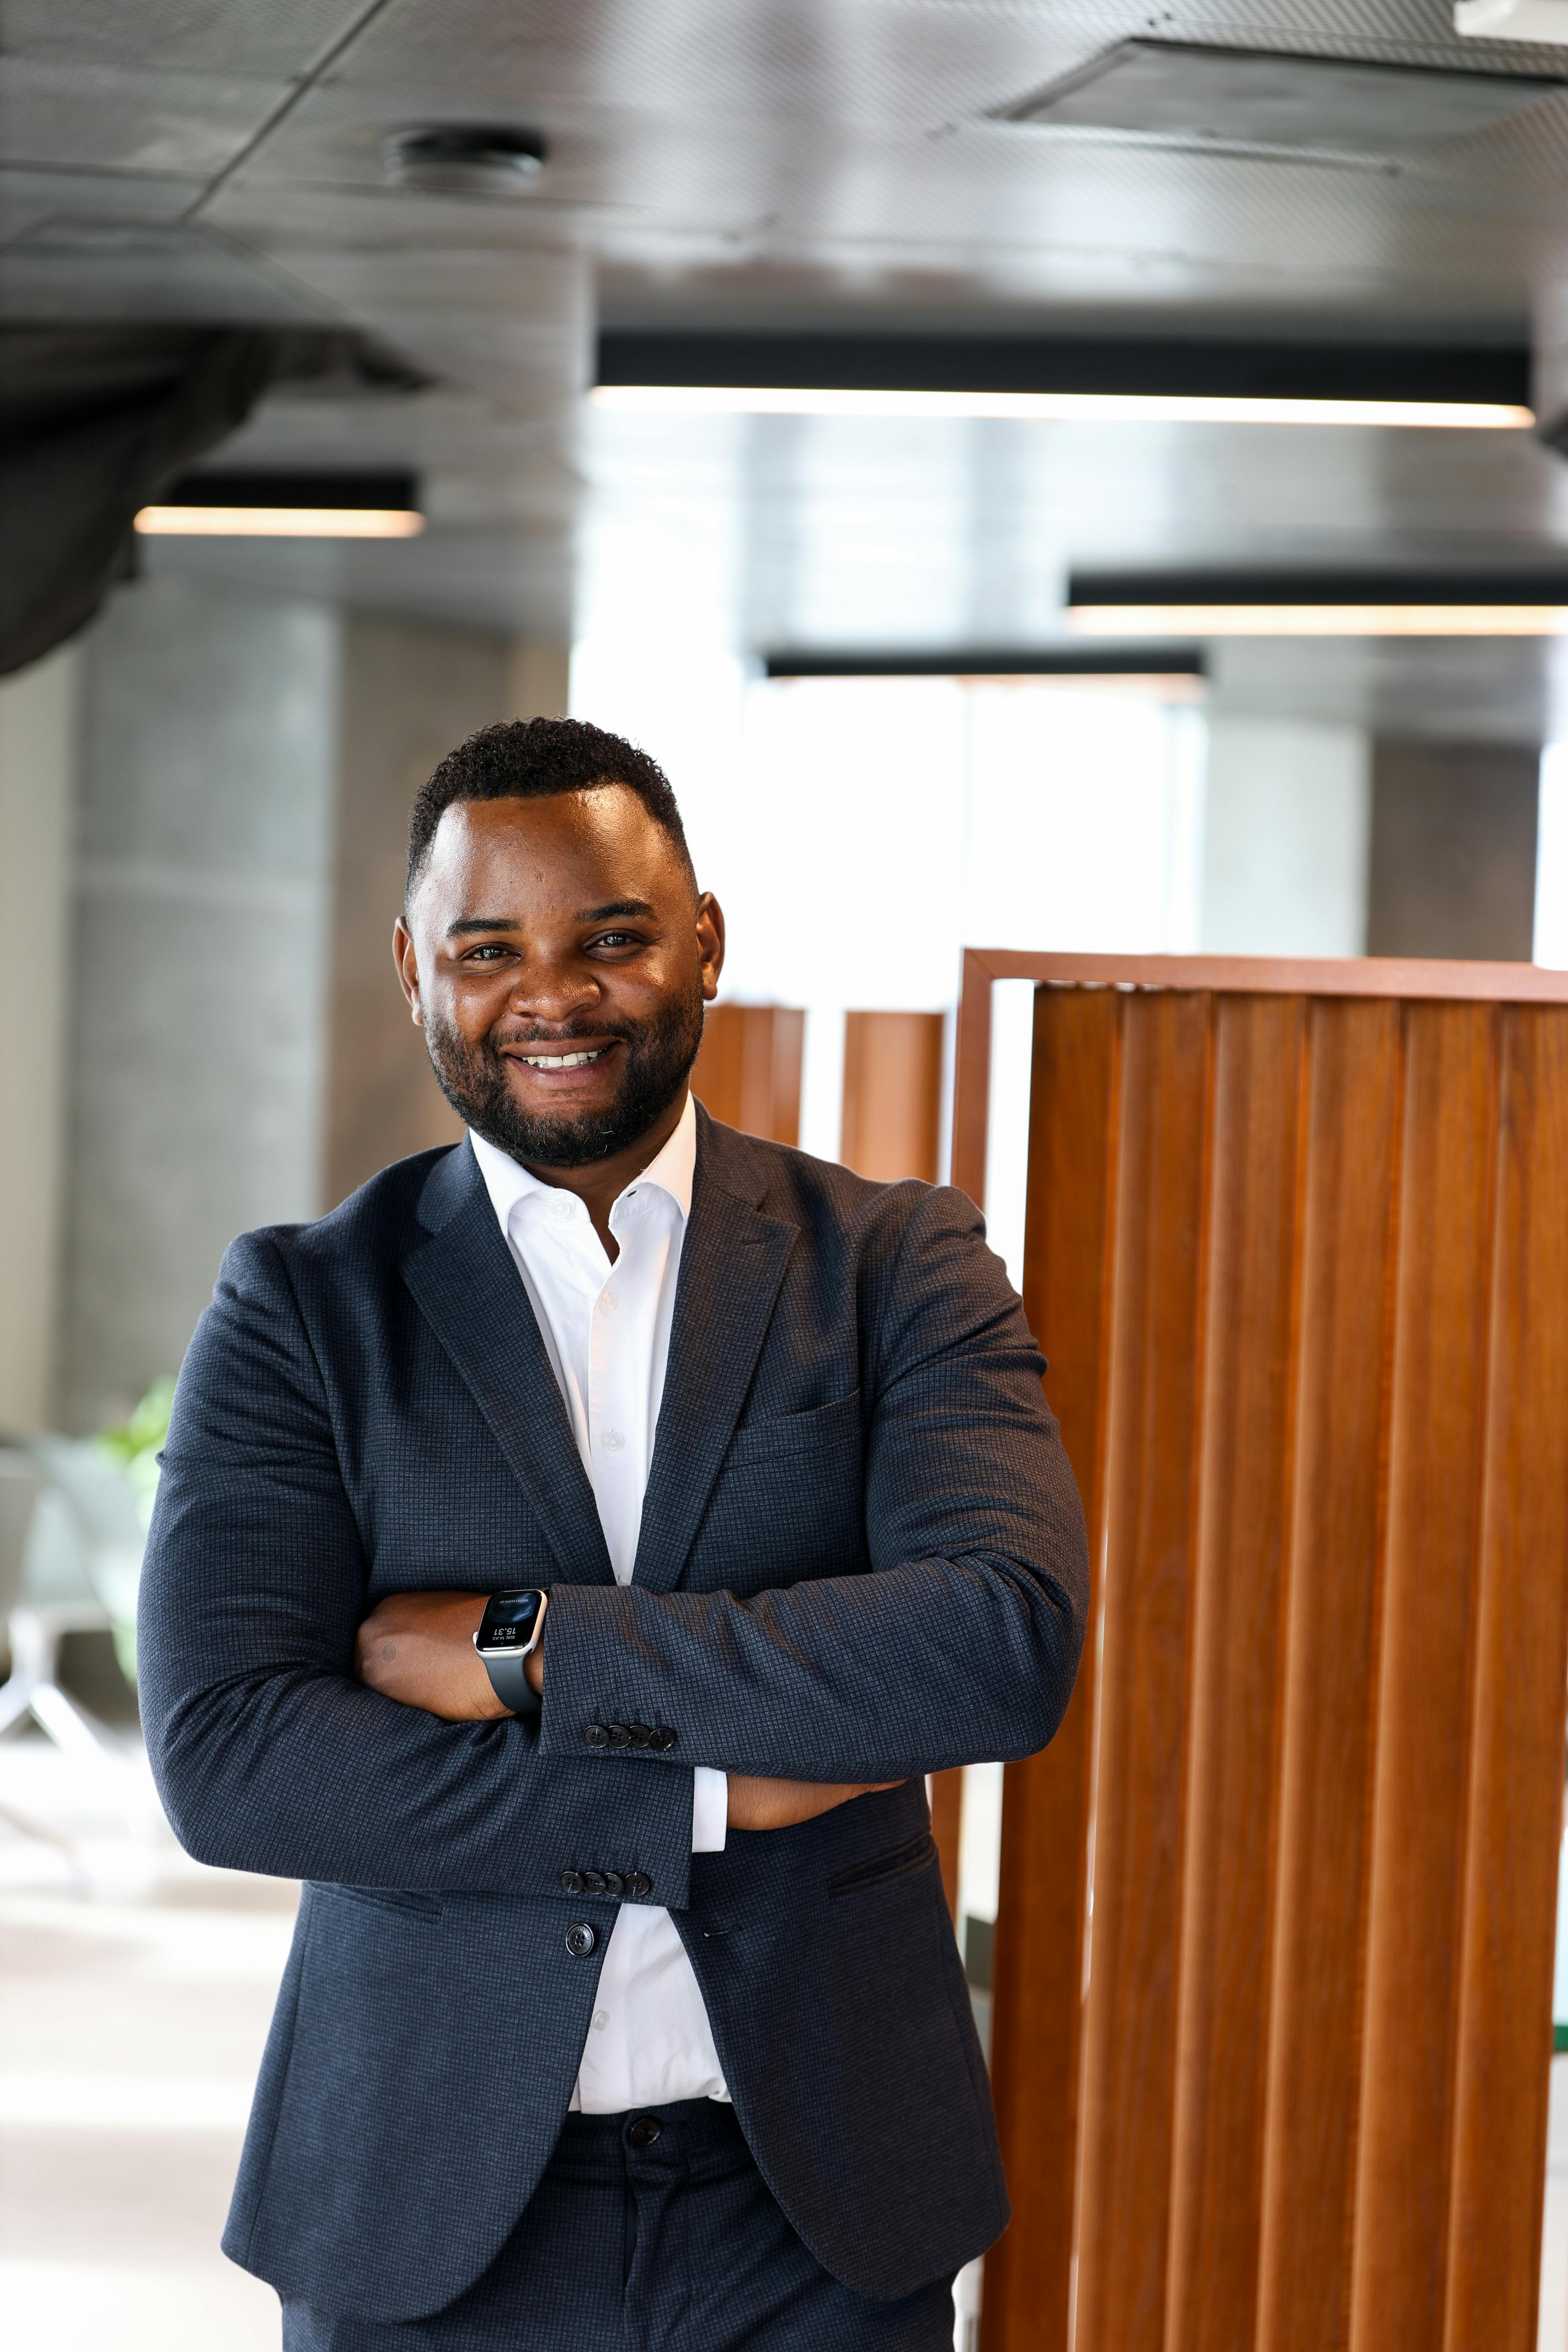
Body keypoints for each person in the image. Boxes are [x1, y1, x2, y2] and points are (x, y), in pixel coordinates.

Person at [138, 716, 1089, 2352]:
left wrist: (524, 1650)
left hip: (819, 2207)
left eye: (612, 939)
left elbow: (995, 1643)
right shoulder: (303, 1307)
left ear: (703, 943)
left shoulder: (895, 1267)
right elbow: (236, 1756)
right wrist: (711, 1797)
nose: (551, 995)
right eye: (489, 947)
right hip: (425, 2200)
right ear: (414, 967)